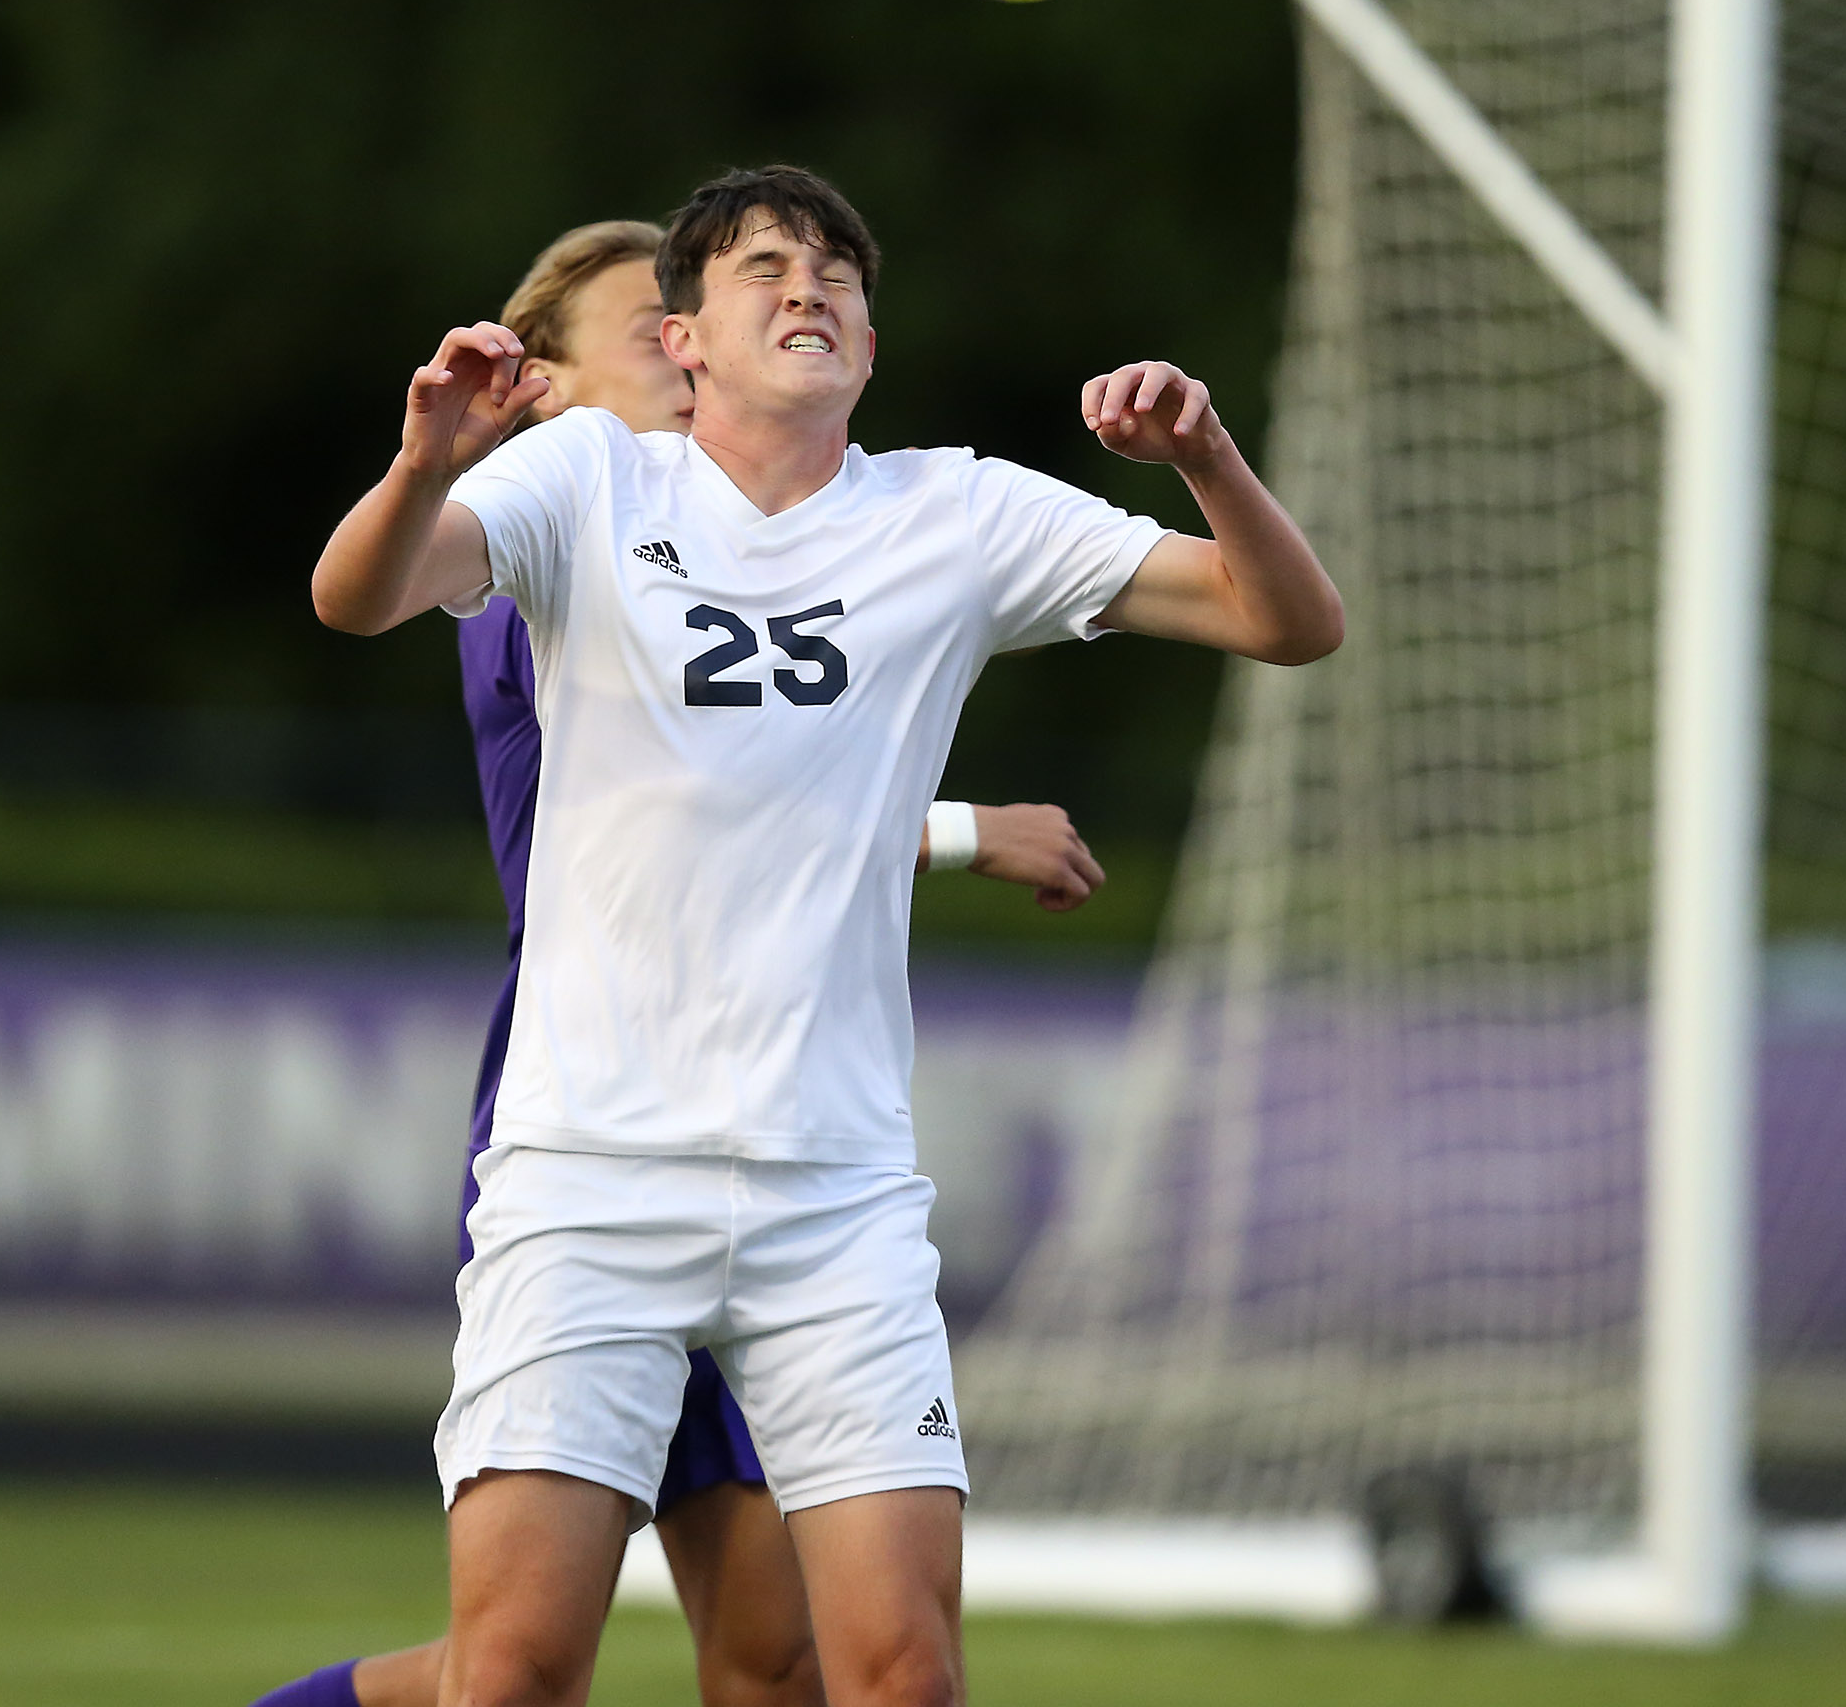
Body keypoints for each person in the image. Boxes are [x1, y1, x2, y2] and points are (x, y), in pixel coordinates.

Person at [309, 165, 1339, 1707]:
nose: (811, 288)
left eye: (840, 272)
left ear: (871, 335)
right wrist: (420, 466)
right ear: (686, 342)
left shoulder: (961, 511)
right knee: (515, 1668)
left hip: (835, 1195)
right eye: (766, 268)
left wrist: (1207, 458)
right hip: (590, 1176)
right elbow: (355, 596)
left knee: (892, 1674)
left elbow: (1288, 621)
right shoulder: (588, 476)